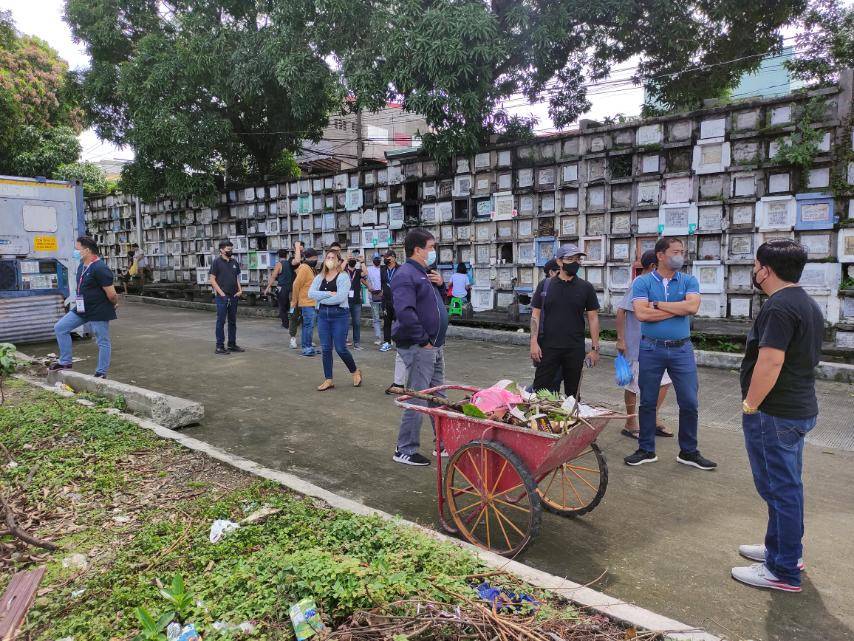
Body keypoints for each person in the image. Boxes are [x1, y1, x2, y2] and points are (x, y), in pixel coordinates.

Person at [731, 240, 823, 593]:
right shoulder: (805, 303)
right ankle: (781, 551)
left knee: (779, 489)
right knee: (787, 488)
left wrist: (750, 405)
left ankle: (782, 570)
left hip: (775, 413)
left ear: (765, 270)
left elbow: (771, 361)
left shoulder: (780, 307)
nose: (754, 272)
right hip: (797, 409)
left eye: (755, 266)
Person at [625, 237, 716, 470]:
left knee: (689, 401)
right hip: (651, 347)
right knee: (647, 401)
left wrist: (657, 305)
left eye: (682, 252)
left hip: (681, 349)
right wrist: (677, 309)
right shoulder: (643, 282)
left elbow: (692, 307)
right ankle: (646, 448)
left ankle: (688, 451)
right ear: (660, 255)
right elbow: (642, 315)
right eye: (675, 251)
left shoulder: (688, 280)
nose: (680, 255)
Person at [391, 228, 448, 466]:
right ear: (418, 249)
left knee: (439, 397)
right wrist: (423, 340)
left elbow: (434, 304)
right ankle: (405, 449)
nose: (433, 252)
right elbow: (405, 312)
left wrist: (441, 285)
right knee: (418, 398)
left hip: (434, 346)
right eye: (431, 247)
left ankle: (443, 444)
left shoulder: (425, 273)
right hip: (420, 346)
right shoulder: (406, 274)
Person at [529, 244, 600, 399]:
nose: (575, 262)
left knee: (573, 393)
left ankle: (570, 421)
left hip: (574, 348)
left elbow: (593, 318)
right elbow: (535, 315)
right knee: (540, 391)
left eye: (577, 259)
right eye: (570, 259)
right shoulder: (545, 285)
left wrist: (595, 349)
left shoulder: (586, 288)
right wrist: (533, 342)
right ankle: (540, 421)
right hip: (547, 347)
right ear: (559, 262)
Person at [616, 250, 673, 439]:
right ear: (652, 266)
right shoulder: (638, 284)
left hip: (659, 343)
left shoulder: (657, 284)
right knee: (633, 385)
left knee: (664, 381)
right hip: (637, 345)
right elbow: (621, 311)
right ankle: (630, 422)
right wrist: (621, 339)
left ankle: (652, 418)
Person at [49, 236, 118, 378]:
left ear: (87, 250)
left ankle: (101, 372)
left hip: (98, 310)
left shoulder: (100, 268)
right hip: (82, 308)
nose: (75, 251)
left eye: (77, 249)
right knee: (61, 327)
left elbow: (112, 294)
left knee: (102, 340)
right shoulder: (82, 265)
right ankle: (65, 362)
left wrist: (113, 304)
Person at [308, 249, 362, 390]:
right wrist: (327, 293)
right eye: (328, 257)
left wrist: (323, 297)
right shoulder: (320, 277)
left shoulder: (343, 277)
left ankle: (355, 370)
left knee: (340, 348)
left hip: (339, 314)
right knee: (326, 348)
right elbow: (311, 293)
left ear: (339, 261)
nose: (330, 259)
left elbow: (340, 297)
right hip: (323, 315)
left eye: (333, 257)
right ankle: (328, 379)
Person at [208, 240, 245, 355]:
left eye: (231, 249)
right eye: (228, 249)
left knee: (232, 321)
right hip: (222, 297)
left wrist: (240, 290)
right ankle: (219, 346)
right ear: (222, 250)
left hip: (234, 296)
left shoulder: (234, 262)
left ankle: (232, 344)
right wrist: (222, 294)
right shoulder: (216, 262)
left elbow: (236, 278)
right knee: (221, 321)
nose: (230, 251)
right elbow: (212, 280)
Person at [291, 247, 320, 356]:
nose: (316, 260)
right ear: (308, 258)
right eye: (314, 258)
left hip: (312, 302)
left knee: (308, 326)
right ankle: (306, 348)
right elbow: (296, 285)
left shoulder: (310, 268)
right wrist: (294, 301)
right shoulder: (304, 268)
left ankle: (308, 346)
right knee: (308, 326)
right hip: (306, 302)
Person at [264, 248, 295, 329]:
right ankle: (292, 320)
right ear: (287, 255)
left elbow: (273, 277)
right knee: (288, 306)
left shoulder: (279, 264)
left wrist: (267, 288)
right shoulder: (290, 263)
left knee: (282, 307)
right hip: (291, 288)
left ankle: (285, 324)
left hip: (282, 288)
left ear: (278, 256)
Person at [344, 252, 366, 349]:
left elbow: (365, 273)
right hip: (345, 301)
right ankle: (343, 340)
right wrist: (345, 259)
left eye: (354, 258)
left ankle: (356, 343)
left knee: (356, 323)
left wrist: (362, 262)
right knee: (345, 322)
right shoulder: (344, 271)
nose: (352, 259)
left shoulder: (358, 271)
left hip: (356, 301)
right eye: (350, 258)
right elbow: (338, 270)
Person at [379, 250, 399, 352]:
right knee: (387, 322)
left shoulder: (401, 269)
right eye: (385, 257)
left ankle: (400, 342)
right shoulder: (382, 269)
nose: (385, 259)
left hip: (399, 300)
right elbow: (382, 285)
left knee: (399, 322)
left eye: (388, 257)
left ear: (393, 258)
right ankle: (387, 342)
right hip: (386, 300)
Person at [287, 241, 305, 348]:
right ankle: (292, 339)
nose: (301, 249)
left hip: (306, 292)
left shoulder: (306, 261)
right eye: (298, 248)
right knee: (294, 316)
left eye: (302, 247)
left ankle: (306, 338)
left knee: (306, 317)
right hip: (294, 293)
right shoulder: (291, 260)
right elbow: (297, 260)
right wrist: (297, 247)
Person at [366, 255, 384, 345]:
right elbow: (364, 279)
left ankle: (389, 338)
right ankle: (378, 338)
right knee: (376, 318)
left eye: (379, 259)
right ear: (373, 260)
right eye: (376, 259)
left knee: (387, 318)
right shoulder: (368, 269)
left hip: (384, 296)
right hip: (373, 297)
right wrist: (368, 286)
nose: (377, 261)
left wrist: (384, 291)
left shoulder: (383, 269)